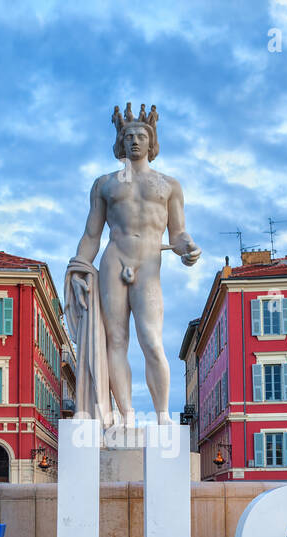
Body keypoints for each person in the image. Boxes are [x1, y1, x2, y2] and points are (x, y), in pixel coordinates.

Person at [67, 102, 201, 424]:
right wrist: (79, 268)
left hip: (148, 265)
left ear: (152, 142)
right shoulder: (105, 184)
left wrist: (188, 248)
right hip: (115, 260)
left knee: (152, 340)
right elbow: (91, 234)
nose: (135, 141)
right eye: (129, 136)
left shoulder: (169, 185)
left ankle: (162, 416)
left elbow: (178, 231)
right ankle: (126, 415)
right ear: (121, 142)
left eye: (142, 135)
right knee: (116, 340)